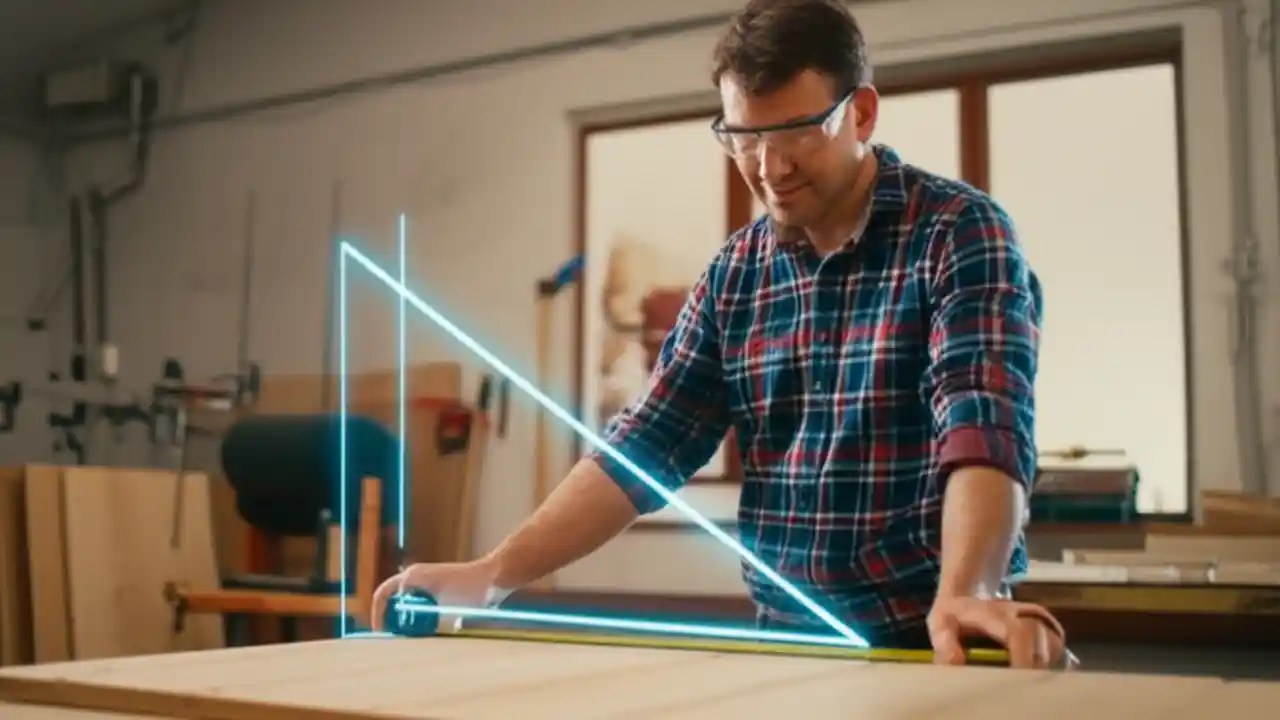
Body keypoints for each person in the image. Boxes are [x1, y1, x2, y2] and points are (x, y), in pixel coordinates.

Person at [373, 0, 1072, 669]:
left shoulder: (959, 232)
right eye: (745, 138)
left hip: (934, 637)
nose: (770, 168)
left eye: (798, 131)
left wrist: (969, 591)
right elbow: (645, 445)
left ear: (860, 113)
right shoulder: (735, 274)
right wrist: (492, 575)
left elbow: (983, 419)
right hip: (791, 645)